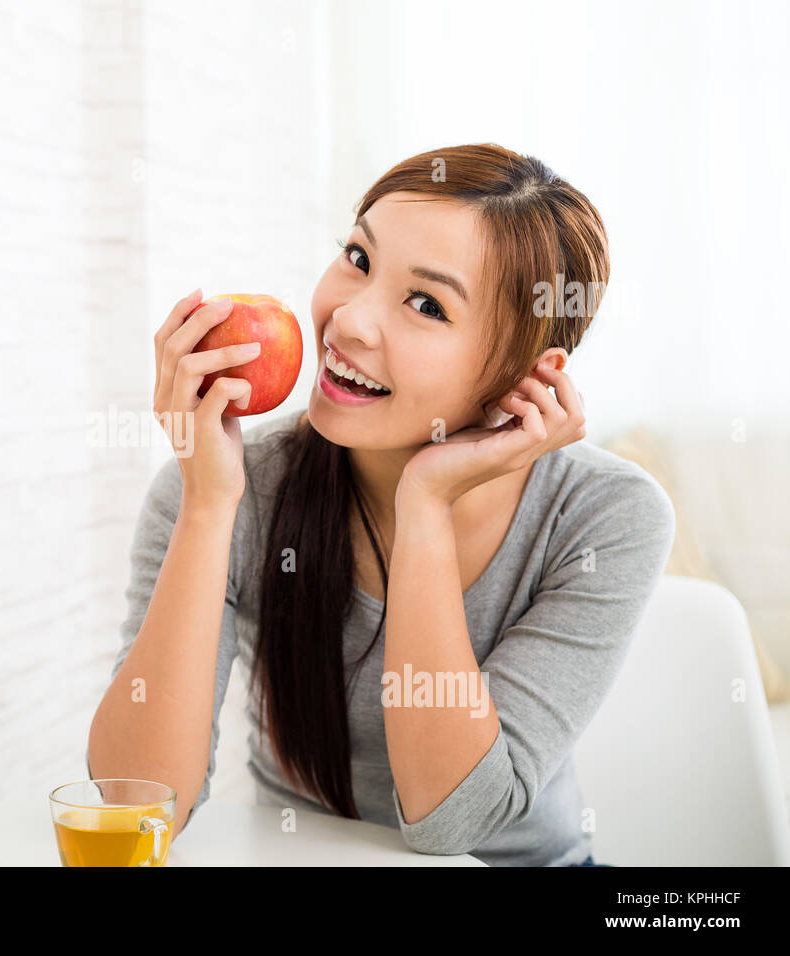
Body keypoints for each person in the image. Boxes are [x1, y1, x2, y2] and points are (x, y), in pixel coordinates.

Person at [86, 143, 675, 867]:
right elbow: (136, 806)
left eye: (426, 304)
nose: (351, 322)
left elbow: (452, 823)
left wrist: (424, 503)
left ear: (525, 373)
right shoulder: (223, 482)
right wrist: (208, 506)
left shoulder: (605, 515)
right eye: (359, 258)